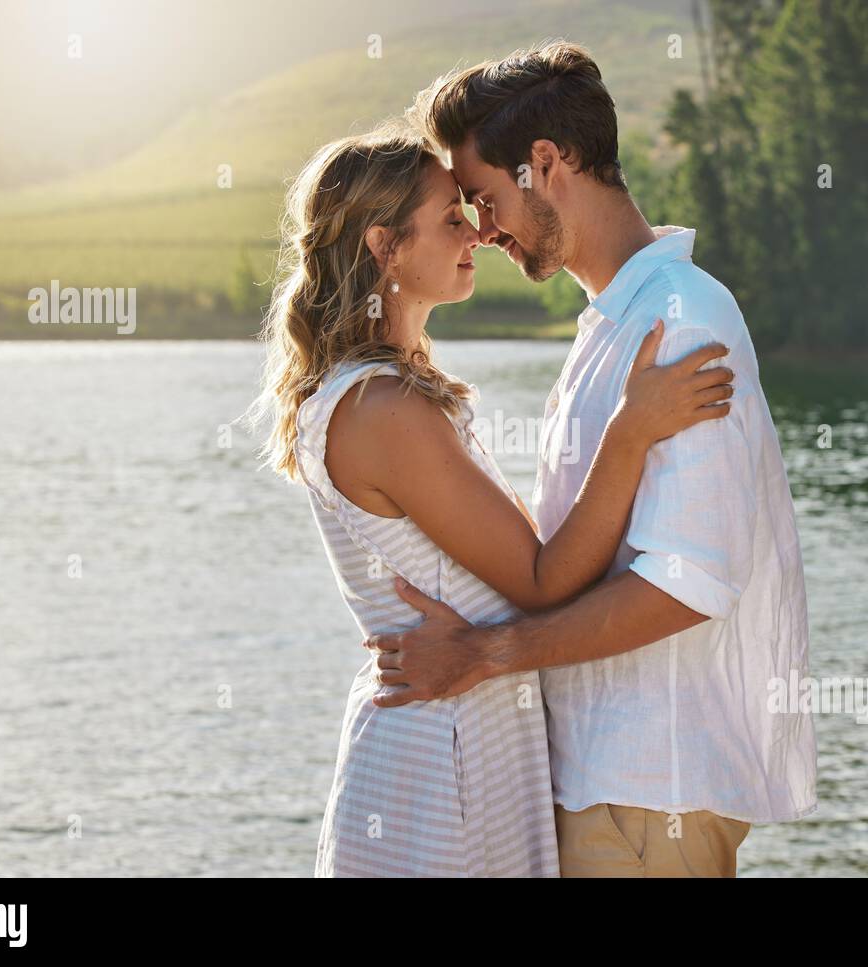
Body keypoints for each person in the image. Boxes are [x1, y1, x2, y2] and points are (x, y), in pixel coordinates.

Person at [363, 41, 819, 877]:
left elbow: (690, 583)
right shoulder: (616, 323)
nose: (482, 229)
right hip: (610, 788)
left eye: (486, 198)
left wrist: (485, 654)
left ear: (546, 162)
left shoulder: (681, 323)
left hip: (650, 796)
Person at [248, 121, 734, 876]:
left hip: (459, 736)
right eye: (450, 218)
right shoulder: (383, 411)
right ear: (384, 246)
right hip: (443, 758)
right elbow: (545, 579)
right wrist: (632, 429)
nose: (476, 230)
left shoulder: (378, 396)